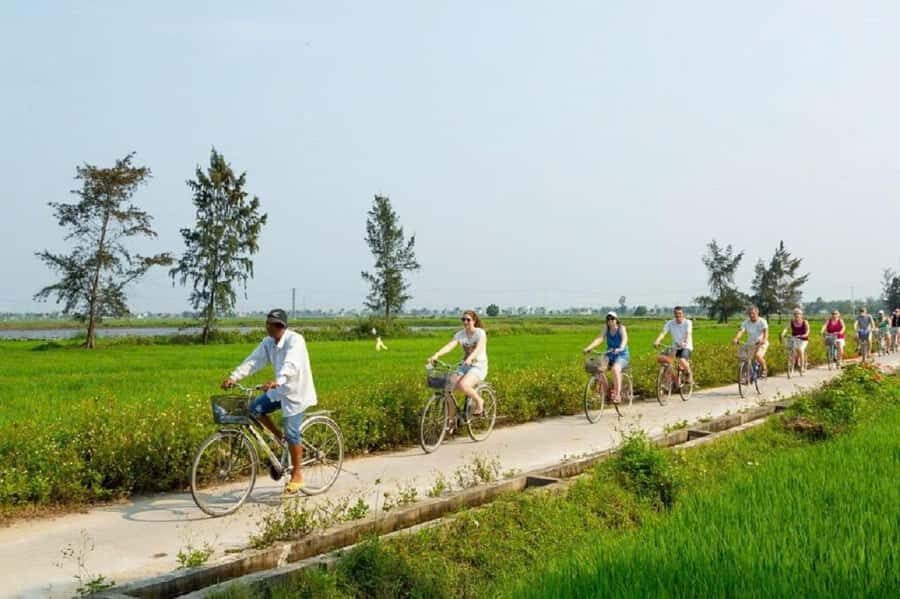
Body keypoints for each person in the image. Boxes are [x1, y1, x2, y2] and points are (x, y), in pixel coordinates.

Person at [222, 309, 317, 495]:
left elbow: (291, 365)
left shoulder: (295, 340)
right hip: (278, 391)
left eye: (272, 324)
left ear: (281, 326)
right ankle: (283, 441)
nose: (268, 327)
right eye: (267, 324)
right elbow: (253, 361)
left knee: (292, 432)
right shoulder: (268, 343)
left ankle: (297, 473)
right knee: (253, 409)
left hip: (296, 393)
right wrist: (234, 377)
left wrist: (277, 381)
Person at [428, 310, 488, 417]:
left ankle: (479, 401)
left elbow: (478, 348)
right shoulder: (461, 334)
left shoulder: (480, 333)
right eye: (463, 319)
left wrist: (470, 358)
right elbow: (450, 346)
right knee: (447, 388)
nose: (465, 322)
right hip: (464, 366)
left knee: (463, 385)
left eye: (468, 320)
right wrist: (436, 355)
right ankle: (451, 419)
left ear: (474, 321)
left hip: (478, 366)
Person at [583, 312, 630, 403]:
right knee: (598, 368)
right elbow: (600, 338)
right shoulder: (606, 328)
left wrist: (621, 347)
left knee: (615, 369)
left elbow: (625, 339)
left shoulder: (621, 328)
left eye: (612, 319)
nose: (610, 321)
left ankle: (617, 395)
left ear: (616, 320)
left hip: (622, 354)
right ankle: (605, 392)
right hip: (609, 354)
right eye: (608, 319)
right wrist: (589, 347)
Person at [653, 306, 693, 384]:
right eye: (676, 313)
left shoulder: (688, 322)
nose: (678, 315)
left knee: (682, 360)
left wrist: (684, 342)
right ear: (674, 314)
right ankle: (671, 382)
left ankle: (689, 374)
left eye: (680, 313)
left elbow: (688, 333)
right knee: (667, 362)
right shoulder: (670, 323)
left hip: (686, 347)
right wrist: (657, 341)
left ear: (683, 314)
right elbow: (663, 333)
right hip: (675, 347)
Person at [732, 305, 769, 378]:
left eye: (753, 313)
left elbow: (766, 333)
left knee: (758, 356)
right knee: (744, 358)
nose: (751, 315)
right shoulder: (746, 322)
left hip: (761, 343)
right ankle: (745, 376)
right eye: (750, 314)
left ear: (757, 313)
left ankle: (764, 369)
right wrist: (736, 338)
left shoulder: (762, 321)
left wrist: (763, 340)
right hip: (751, 344)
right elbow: (741, 331)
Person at [780, 307, 810, 371]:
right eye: (795, 314)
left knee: (801, 350)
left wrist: (804, 335)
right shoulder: (791, 322)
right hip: (794, 338)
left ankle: (802, 367)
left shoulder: (805, 322)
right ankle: (793, 364)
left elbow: (808, 331)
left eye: (798, 314)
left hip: (803, 339)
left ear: (801, 315)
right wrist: (783, 333)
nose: (797, 315)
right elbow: (786, 328)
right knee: (792, 350)